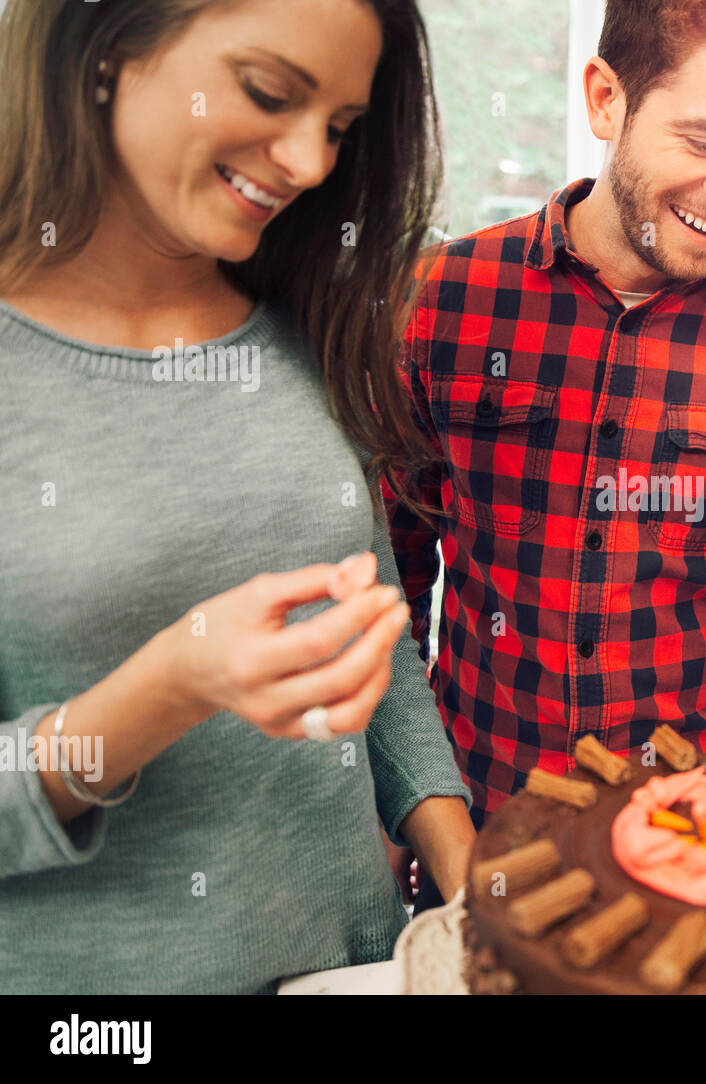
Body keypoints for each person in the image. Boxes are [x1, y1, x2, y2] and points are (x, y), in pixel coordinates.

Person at [0, 0, 474, 993]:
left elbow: (375, 654)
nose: (306, 162)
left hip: (349, 966)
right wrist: (170, 684)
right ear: (107, 44)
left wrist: (472, 886)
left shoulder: (310, 321)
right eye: (269, 92)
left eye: (340, 127)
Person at [384, 0, 706, 912]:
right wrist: (391, 807)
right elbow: (391, 594)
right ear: (606, 100)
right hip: (482, 832)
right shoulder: (441, 300)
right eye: (705, 141)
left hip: (702, 845)